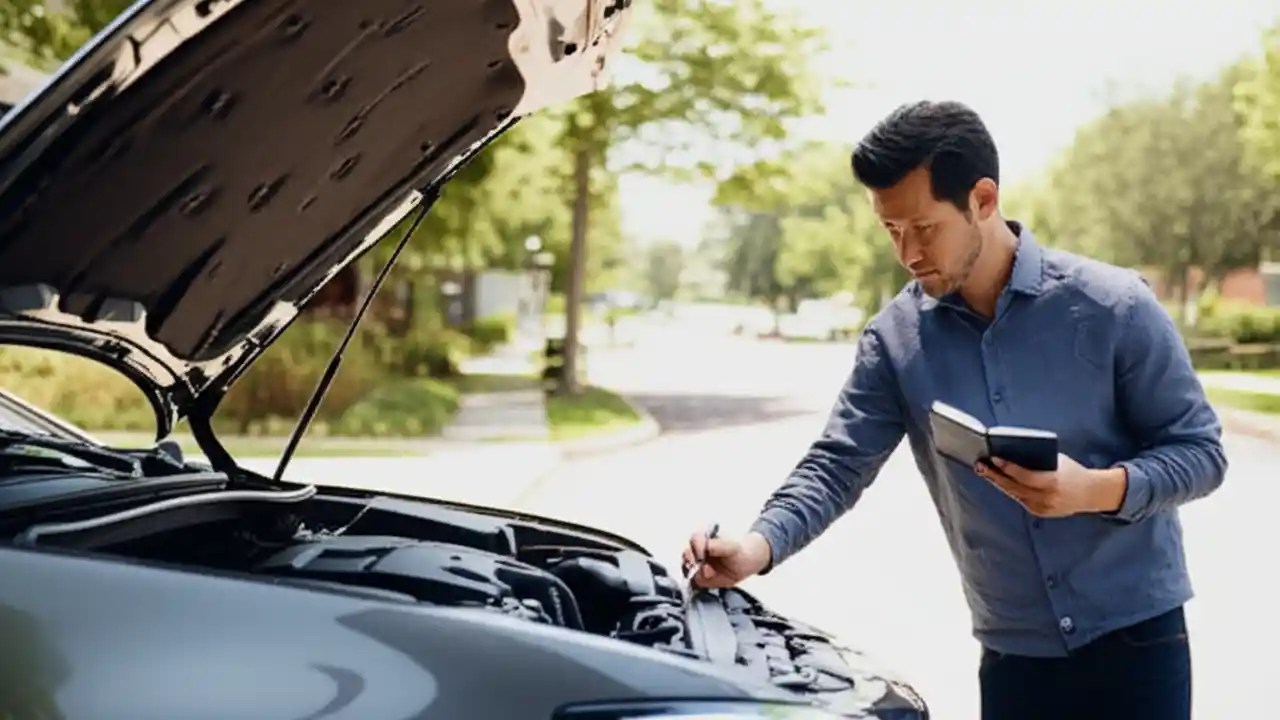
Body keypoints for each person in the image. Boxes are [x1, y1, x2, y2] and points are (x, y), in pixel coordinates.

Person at [682, 100, 1226, 720]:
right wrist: (757, 547)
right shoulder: (895, 340)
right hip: (1013, 657)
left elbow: (1201, 452)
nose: (907, 252)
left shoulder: (1114, 307)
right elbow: (837, 464)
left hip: (1137, 644)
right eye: (891, 230)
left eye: (924, 227)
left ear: (983, 199)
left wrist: (1094, 490)